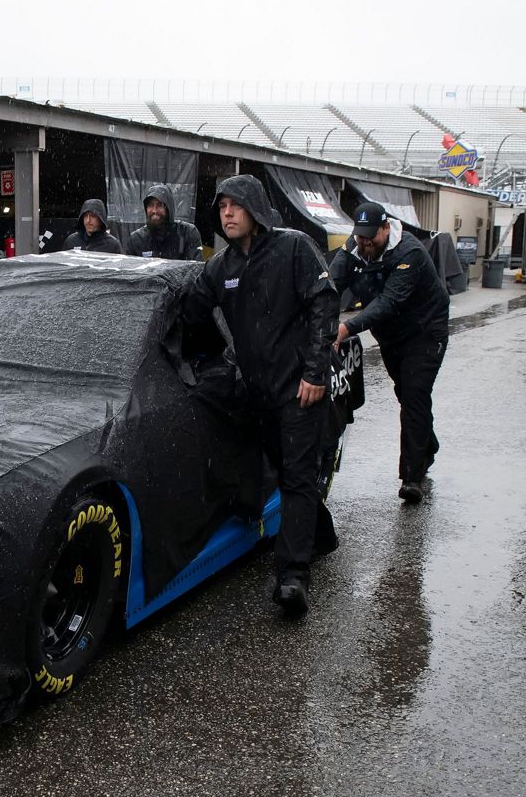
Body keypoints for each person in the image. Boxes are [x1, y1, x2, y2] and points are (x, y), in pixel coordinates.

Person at [182, 175, 339, 616]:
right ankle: (318, 536)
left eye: (236, 205)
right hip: (259, 393)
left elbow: (325, 304)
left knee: (298, 476)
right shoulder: (221, 267)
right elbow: (192, 311)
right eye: (222, 207)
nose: (227, 213)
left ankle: (292, 577)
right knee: (293, 475)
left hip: (300, 389)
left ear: (255, 208)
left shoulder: (294, 248)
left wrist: (315, 372)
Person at [330, 201, 450, 503]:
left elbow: (388, 302)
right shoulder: (354, 249)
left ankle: (412, 477)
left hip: (425, 333)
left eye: (372, 236)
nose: (365, 242)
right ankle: (427, 445)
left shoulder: (410, 253)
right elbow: (331, 285)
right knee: (407, 396)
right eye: (360, 236)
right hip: (392, 337)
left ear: (386, 228)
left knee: (414, 395)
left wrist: (345, 329)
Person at [125, 184, 203, 261]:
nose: (154, 211)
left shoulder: (188, 233)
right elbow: (130, 272)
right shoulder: (136, 239)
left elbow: (195, 269)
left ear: (169, 208)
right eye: (150, 205)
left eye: (160, 205)